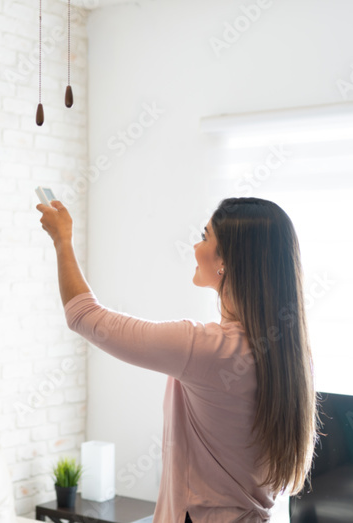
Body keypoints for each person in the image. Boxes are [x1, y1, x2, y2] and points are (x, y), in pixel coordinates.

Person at [36, 196, 318, 523]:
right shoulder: (293, 357)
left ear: (226, 260)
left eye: (204, 236)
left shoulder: (208, 348)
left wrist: (62, 241)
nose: (195, 247)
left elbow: (84, 316)